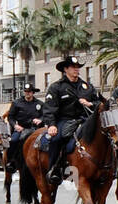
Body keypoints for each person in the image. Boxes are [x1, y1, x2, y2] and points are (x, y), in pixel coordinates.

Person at [44, 55, 103, 185]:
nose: (76, 70)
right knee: (56, 139)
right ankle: (53, 169)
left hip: (86, 119)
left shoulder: (87, 86)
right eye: (73, 67)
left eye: (77, 67)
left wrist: (90, 104)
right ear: (66, 69)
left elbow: (99, 102)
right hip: (65, 120)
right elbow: (49, 108)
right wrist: (52, 125)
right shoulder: (56, 87)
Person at [6, 84, 45, 165]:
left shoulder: (40, 104)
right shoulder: (16, 103)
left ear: (33, 92)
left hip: (36, 129)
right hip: (21, 128)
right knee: (13, 141)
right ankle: (11, 161)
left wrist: (40, 120)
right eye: (26, 91)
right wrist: (15, 126)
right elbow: (10, 117)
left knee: (47, 141)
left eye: (29, 92)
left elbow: (45, 115)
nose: (27, 93)